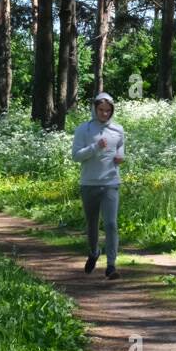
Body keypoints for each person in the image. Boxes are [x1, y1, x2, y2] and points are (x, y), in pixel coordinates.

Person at [71, 92, 125, 280]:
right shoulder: (84, 130)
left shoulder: (118, 130)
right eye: (101, 110)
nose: (104, 114)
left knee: (111, 224)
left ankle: (111, 266)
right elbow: (76, 156)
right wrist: (95, 148)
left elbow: (120, 151)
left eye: (108, 111)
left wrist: (120, 158)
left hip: (111, 182)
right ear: (94, 109)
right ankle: (94, 252)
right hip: (89, 183)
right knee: (92, 224)